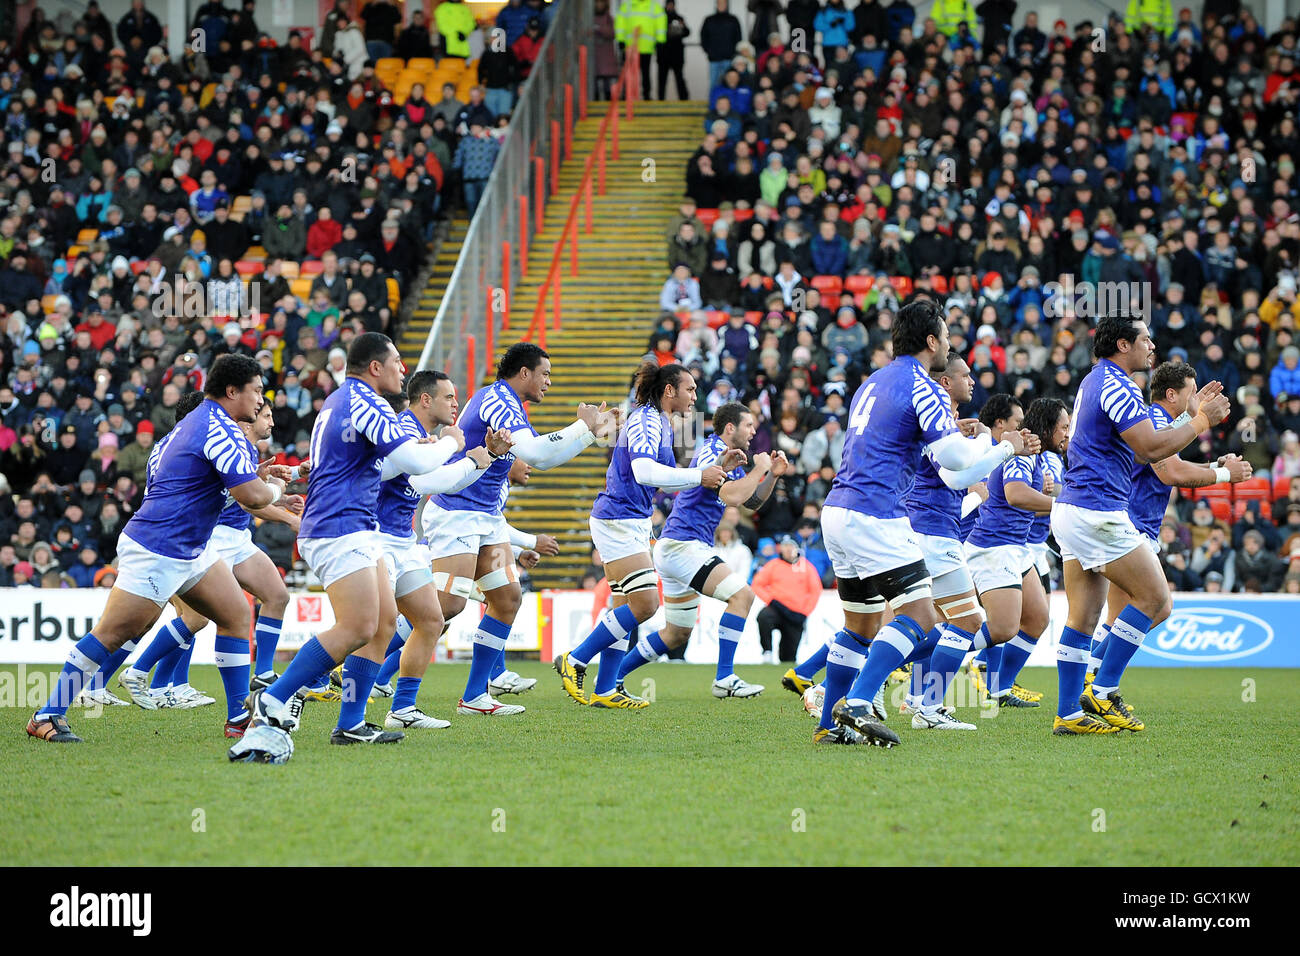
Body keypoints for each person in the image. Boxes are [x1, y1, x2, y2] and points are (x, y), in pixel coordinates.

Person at [237, 333, 480, 754]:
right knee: (358, 627)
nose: (403, 369)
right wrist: (453, 444)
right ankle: (273, 695)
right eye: (397, 361)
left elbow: (386, 463)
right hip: (338, 526)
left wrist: (421, 450)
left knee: (384, 625)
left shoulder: (344, 401)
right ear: (375, 367)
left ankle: (350, 722)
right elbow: (418, 466)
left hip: (356, 526)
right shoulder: (364, 402)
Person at [27, 355, 289, 744]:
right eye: (256, 390)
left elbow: (200, 481)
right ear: (233, 391)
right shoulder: (223, 430)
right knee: (115, 632)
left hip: (188, 544)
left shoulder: (196, 423)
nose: (260, 399)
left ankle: (239, 718)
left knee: (235, 613)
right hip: (160, 547)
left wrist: (256, 476)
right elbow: (250, 497)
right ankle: (47, 713)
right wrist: (278, 490)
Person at [817, 298, 1032, 747]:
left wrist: (971, 440)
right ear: (932, 341)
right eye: (947, 335)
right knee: (919, 615)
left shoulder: (872, 382)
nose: (951, 342)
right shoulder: (924, 385)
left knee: (859, 627)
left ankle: (828, 726)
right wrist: (1005, 448)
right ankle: (860, 702)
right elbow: (954, 462)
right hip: (877, 514)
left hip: (837, 509)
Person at [1050, 316, 1231, 736]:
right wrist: (1202, 422)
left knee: (1083, 618)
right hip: (1098, 510)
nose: (1152, 346)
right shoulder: (1117, 384)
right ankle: (1104, 688)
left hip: (1074, 508)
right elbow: (1151, 450)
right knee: (1154, 599)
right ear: (1121, 344)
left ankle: (1069, 714)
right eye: (1146, 339)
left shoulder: (1096, 380)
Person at [430, 342, 616, 716]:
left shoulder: (510, 404)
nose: (549, 381)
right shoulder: (498, 400)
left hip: (485, 518)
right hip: (457, 511)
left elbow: (542, 458)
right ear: (525, 373)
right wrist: (583, 426)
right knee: (443, 608)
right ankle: (364, 666)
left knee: (506, 598)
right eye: (544, 373)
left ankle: (475, 697)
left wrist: (589, 433)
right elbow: (537, 455)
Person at [114, 396, 304, 734]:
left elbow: (251, 497)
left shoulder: (238, 448)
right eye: (266, 415)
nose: (271, 423)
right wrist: (286, 513)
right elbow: (249, 501)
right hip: (206, 536)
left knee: (275, 595)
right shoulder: (223, 442)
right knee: (186, 619)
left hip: (234, 538)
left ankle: (257, 677)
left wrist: (277, 492)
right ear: (248, 418)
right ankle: (140, 675)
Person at [555, 361, 740, 707]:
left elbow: (660, 475)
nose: (695, 396)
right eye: (690, 389)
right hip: (618, 519)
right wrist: (700, 475)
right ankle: (575, 659)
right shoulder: (646, 419)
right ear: (669, 390)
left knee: (624, 605)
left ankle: (606, 688)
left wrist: (705, 472)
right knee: (646, 604)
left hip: (630, 519)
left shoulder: (660, 422)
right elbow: (643, 471)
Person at [1087, 361, 1253, 688]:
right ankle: (1096, 679)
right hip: (1130, 526)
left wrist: (1212, 463)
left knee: (1118, 617)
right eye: (1192, 393)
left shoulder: (1161, 422)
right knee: (1159, 606)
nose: (1196, 400)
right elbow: (1170, 473)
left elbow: (1172, 462)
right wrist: (1223, 475)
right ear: (1173, 394)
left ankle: (1093, 679)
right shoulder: (1152, 419)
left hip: (1132, 525)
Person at [617, 402, 786, 697]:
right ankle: (725, 678)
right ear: (730, 428)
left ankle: (612, 678)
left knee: (676, 633)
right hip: (684, 545)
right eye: (749, 425)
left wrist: (771, 475)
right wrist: (759, 468)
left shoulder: (725, 456)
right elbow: (733, 496)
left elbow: (750, 502)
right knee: (742, 596)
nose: (754, 431)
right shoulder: (712, 452)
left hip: (677, 546)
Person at [370, 373, 509, 731]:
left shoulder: (426, 438)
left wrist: (486, 458)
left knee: (432, 619)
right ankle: (299, 687)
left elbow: (447, 481)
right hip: (376, 539)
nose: (455, 404)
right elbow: (426, 481)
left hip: (405, 540)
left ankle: (402, 709)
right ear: (426, 401)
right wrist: (459, 452)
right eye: (448, 397)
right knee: (369, 629)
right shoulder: (403, 430)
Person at [753, 532, 822, 664]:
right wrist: (771, 600)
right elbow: (757, 584)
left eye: (791, 545)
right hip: (777, 608)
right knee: (764, 616)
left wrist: (805, 612)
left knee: (788, 658)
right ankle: (767, 651)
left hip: (796, 613)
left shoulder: (806, 566)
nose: (788, 549)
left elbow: (815, 591)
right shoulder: (773, 564)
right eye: (784, 546)